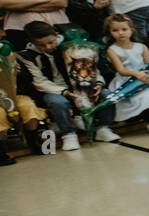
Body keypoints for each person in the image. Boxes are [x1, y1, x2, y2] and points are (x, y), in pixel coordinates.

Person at [15, 21, 120, 149]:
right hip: (53, 89)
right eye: (41, 45)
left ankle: (104, 128)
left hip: (81, 83)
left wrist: (98, 82)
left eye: (51, 42)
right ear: (32, 42)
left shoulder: (72, 45)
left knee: (107, 95)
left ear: (56, 35)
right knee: (56, 101)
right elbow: (40, 81)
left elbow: (90, 67)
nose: (48, 47)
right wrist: (65, 92)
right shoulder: (26, 56)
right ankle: (69, 134)